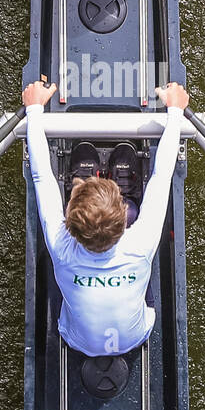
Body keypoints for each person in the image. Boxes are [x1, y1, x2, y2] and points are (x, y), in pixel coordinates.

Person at [22, 77, 188, 359]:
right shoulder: (141, 240)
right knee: (141, 211)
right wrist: (175, 111)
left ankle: (84, 178)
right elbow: (161, 176)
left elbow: (40, 176)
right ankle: (121, 189)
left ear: (70, 222)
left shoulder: (61, 246)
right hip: (136, 336)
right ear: (122, 219)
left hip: (76, 340)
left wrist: (34, 109)